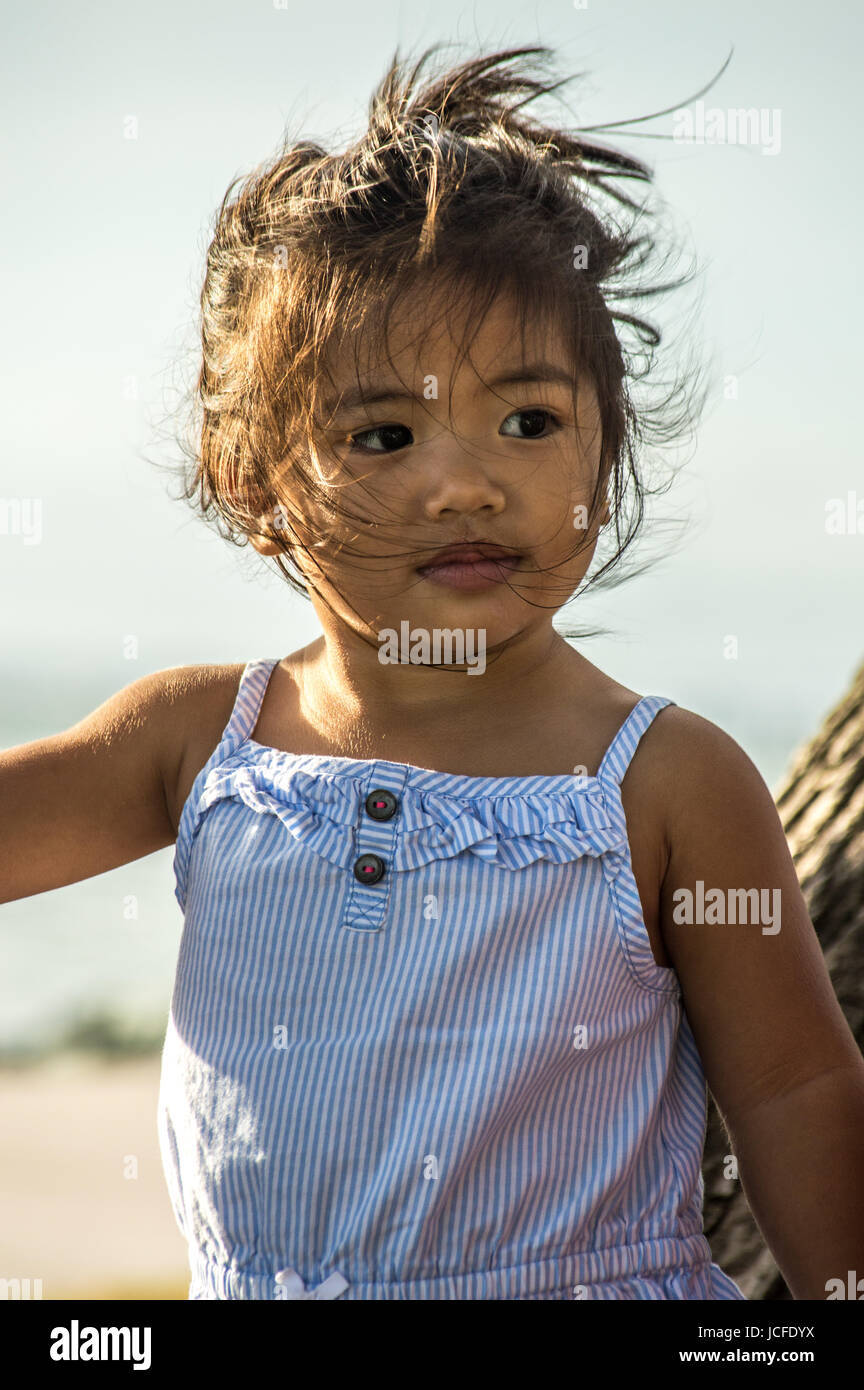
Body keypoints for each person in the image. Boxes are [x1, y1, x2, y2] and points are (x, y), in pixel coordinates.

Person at [5, 44, 863, 1301]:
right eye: (384, 434)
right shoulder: (203, 742)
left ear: (605, 455)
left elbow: (794, 1086)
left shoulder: (663, 780)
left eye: (529, 422)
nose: (467, 480)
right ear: (256, 483)